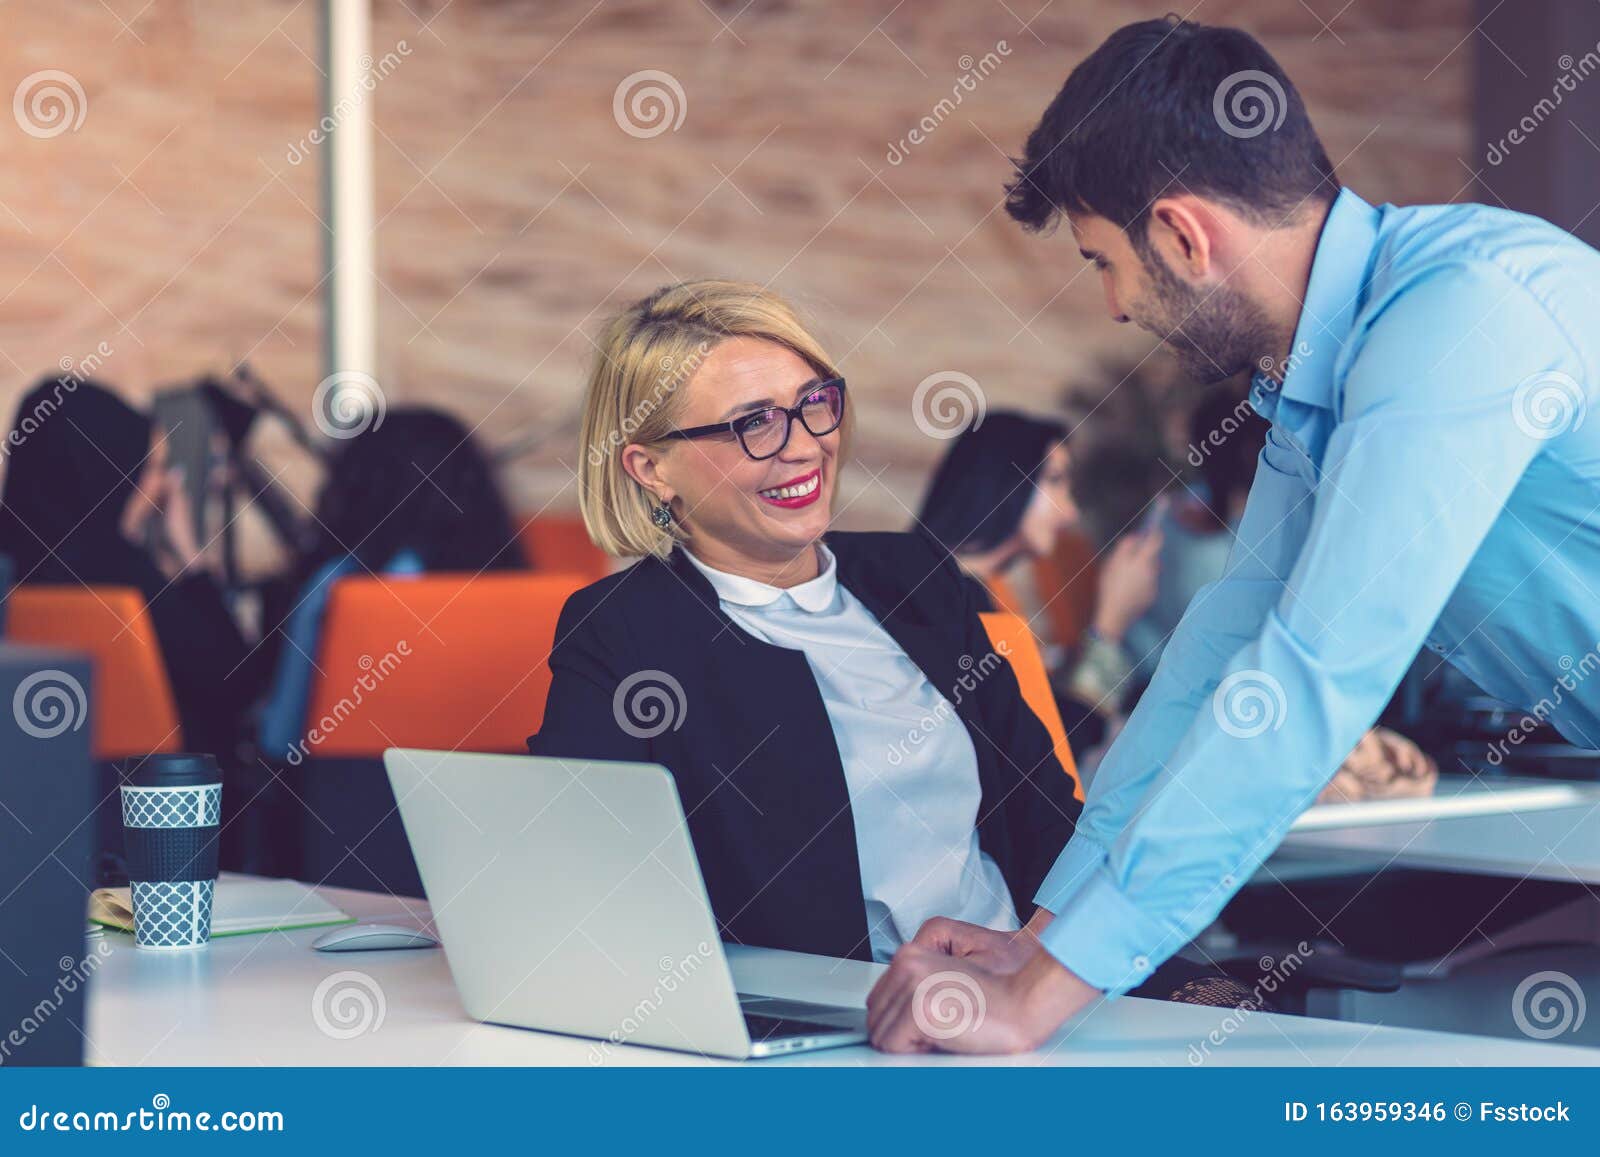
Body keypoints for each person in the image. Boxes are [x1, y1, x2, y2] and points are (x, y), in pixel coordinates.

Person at [867, 16, 1600, 1053]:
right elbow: (1221, 648)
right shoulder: (1326, 376)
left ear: (1183, 235)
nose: (1114, 306)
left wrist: (1039, 998)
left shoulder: (1459, 321)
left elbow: (1312, 669)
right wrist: (1043, 939)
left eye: (1103, 262)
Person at [527, 279, 1256, 1010]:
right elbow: (591, 885)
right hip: (846, 1019)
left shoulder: (916, 577)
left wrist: (1119, 972)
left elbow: (1046, 815)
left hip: (1037, 984)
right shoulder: (624, 631)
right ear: (651, 468)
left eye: (813, 404)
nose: (804, 446)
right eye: (753, 423)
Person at [0, 377, 262, 757]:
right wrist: (193, 558)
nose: (162, 487)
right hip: (151, 787)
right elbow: (239, 682)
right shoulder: (122, 578)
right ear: (108, 471)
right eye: (152, 467)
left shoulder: (14, 570)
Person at [256, 407, 522, 761]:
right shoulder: (525, 593)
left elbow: (281, 737)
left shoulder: (337, 587)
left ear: (360, 488)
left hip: (351, 788)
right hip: (496, 786)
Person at [914, 411, 1164, 749]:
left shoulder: (972, 592)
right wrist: (1109, 629)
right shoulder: (947, 605)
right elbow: (1037, 762)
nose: (1070, 512)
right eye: (1055, 480)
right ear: (1002, 480)